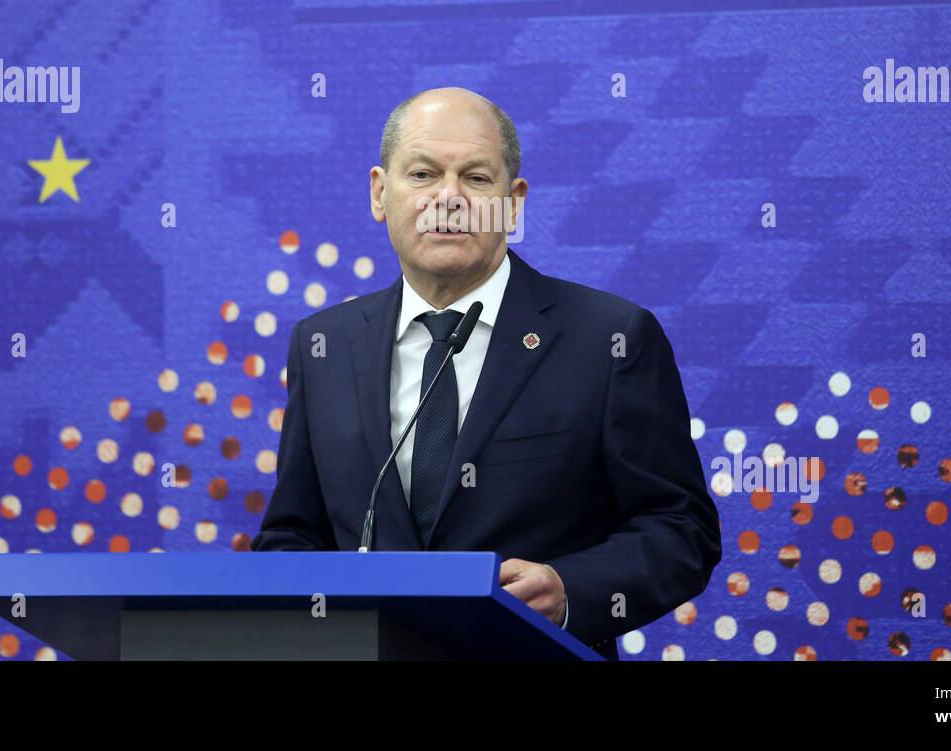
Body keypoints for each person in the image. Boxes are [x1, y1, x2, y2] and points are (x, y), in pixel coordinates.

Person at [252, 87, 721, 660]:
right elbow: (291, 536)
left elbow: (680, 529)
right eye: (422, 174)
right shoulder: (322, 345)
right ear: (380, 193)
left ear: (513, 202)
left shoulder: (609, 339)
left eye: (476, 179)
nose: (448, 198)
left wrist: (570, 588)